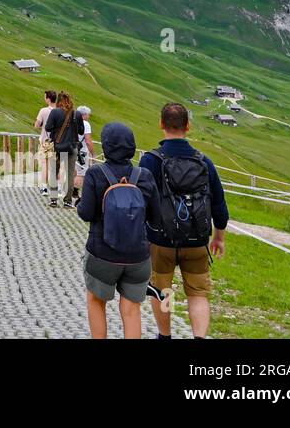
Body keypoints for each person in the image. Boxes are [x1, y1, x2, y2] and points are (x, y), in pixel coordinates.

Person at [138, 103, 229, 339]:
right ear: (188, 126)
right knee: (198, 294)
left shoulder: (150, 160)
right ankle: (199, 337)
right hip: (197, 240)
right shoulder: (204, 161)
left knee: (161, 291)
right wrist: (218, 237)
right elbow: (219, 205)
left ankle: (165, 336)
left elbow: (140, 201)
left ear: (161, 125)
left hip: (160, 240)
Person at [77, 122, 159, 339]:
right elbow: (156, 218)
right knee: (131, 310)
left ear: (105, 145)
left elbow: (85, 214)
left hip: (102, 253)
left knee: (96, 301)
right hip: (138, 257)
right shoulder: (145, 175)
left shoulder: (95, 174)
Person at [44, 91, 82, 207]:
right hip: (72, 147)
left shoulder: (55, 112)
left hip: (57, 146)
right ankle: (68, 201)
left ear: (59, 101)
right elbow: (81, 131)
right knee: (70, 174)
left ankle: (54, 199)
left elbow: (48, 128)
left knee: (54, 172)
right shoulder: (77, 114)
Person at [34, 90, 58, 195]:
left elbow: (36, 125)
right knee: (54, 165)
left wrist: (42, 125)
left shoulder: (43, 111)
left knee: (45, 164)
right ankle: (55, 186)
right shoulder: (60, 110)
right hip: (57, 141)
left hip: (46, 140)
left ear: (48, 99)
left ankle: (44, 188)